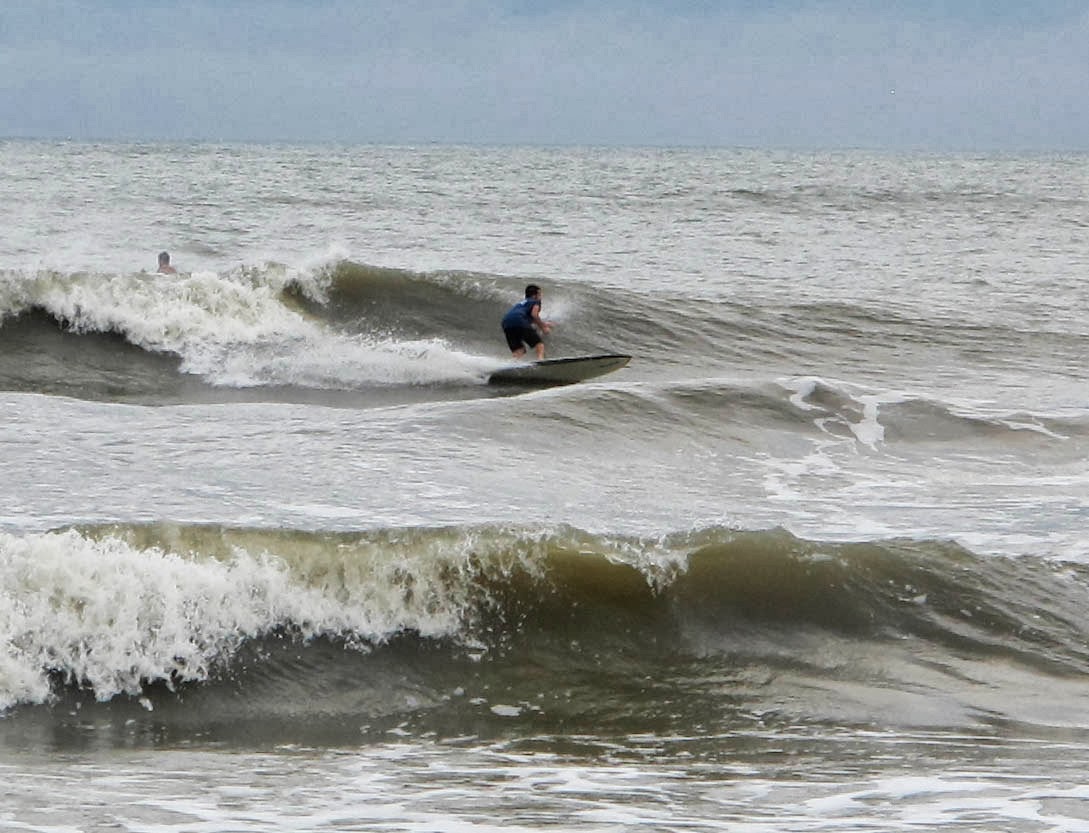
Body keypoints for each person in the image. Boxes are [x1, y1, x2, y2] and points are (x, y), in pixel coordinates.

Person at [501, 284, 553, 360]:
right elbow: (534, 315)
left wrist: (544, 323)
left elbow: (524, 318)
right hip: (519, 321)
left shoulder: (521, 304)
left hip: (506, 323)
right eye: (540, 294)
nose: (541, 296)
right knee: (539, 345)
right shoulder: (535, 301)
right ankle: (540, 361)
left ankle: (513, 365)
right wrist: (543, 327)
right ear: (536, 295)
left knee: (519, 351)